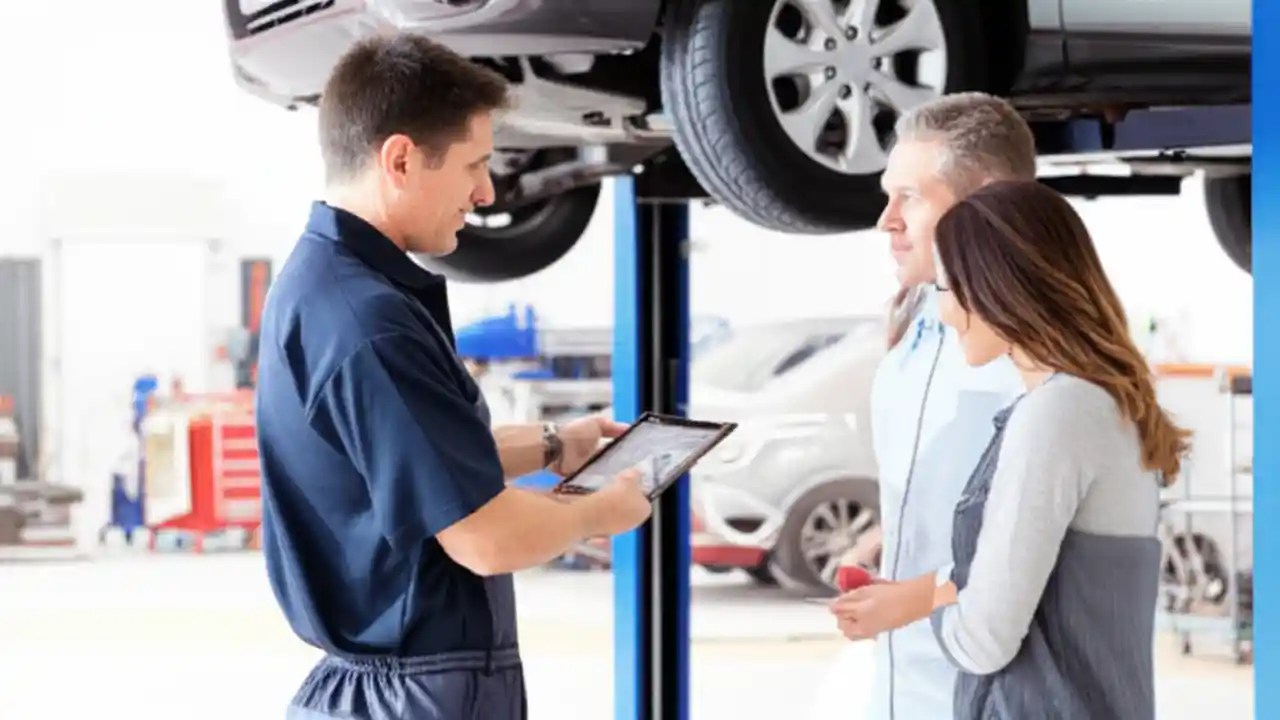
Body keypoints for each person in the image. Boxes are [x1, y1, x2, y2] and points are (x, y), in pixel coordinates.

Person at [253, 33, 653, 719]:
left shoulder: (327, 287)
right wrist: (599, 514)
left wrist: (557, 445)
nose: (487, 191)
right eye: (474, 164)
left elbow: (408, 471)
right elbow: (483, 537)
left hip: (392, 687)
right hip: (419, 693)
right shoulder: (366, 321)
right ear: (402, 159)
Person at [832, 179, 1189, 719]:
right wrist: (911, 597)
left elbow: (984, 640)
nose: (946, 314)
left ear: (1001, 287)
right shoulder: (1094, 403)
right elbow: (1042, 573)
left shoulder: (1057, 414)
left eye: (949, 290)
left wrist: (927, 610)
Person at [841, 93, 1036, 720]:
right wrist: (887, 538)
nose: (886, 220)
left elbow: (1053, 550)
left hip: (992, 690)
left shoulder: (1036, 346)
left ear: (985, 201)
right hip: (899, 685)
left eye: (911, 198)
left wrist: (920, 594)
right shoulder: (917, 316)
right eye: (887, 194)